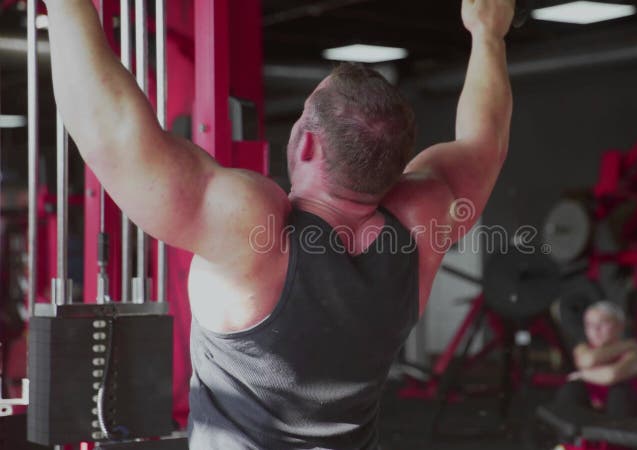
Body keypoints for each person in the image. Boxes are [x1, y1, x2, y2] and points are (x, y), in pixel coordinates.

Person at [44, 0, 515, 448]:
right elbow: (486, 143)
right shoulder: (422, 223)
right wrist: (488, 33)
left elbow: (113, 135)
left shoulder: (254, 230)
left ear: (307, 144)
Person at [555, 301, 637, 418]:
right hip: (591, 410)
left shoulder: (635, 354)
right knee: (572, 389)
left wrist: (582, 375)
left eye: (603, 323)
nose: (595, 329)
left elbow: (612, 374)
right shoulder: (583, 348)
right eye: (589, 325)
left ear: (620, 326)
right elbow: (588, 360)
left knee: (619, 393)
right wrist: (627, 345)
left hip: (626, 414)